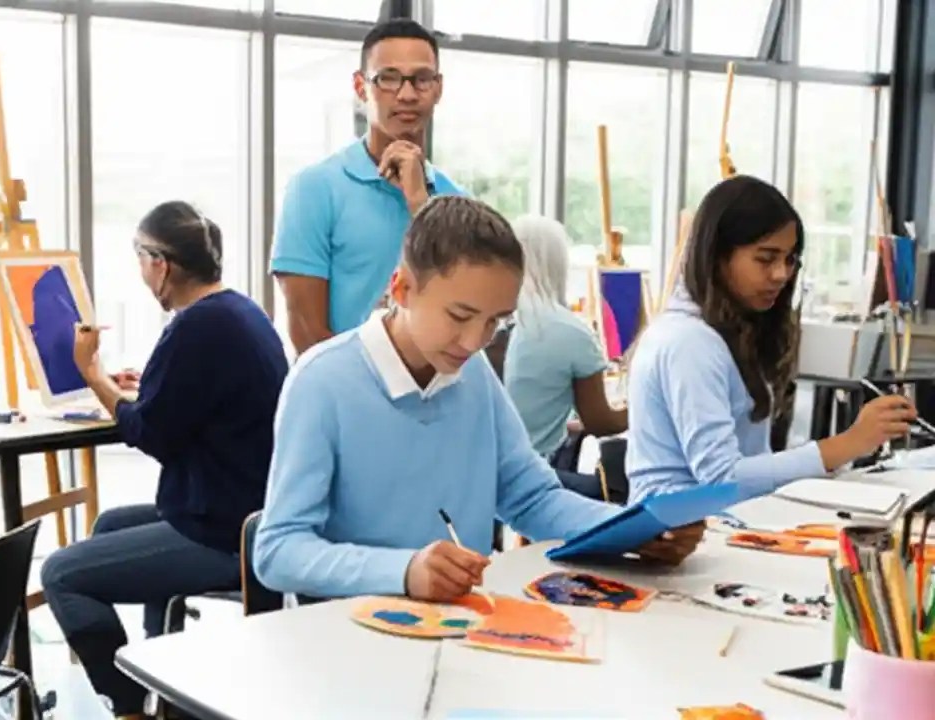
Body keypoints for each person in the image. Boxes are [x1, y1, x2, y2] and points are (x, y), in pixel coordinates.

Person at [254, 196, 702, 603]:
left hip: (461, 624)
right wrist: (404, 570)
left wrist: (633, 530)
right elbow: (278, 551)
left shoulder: (472, 372)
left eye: (496, 322)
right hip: (347, 639)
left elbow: (531, 500)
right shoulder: (322, 382)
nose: (474, 341)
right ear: (402, 288)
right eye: (461, 316)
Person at [41, 201, 288, 719]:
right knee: (108, 524)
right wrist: (136, 387)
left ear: (161, 264)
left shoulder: (196, 328)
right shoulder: (239, 312)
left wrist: (92, 374)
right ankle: (163, 673)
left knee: (63, 573)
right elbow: (183, 405)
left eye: (138, 257)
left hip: (223, 532)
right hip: (247, 511)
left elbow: (147, 432)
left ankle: (129, 706)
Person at [625, 175, 915, 504]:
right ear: (717, 256)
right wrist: (847, 443)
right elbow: (722, 478)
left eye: (790, 259)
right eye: (765, 259)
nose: (781, 274)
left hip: (718, 526)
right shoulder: (689, 341)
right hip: (678, 535)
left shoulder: (727, 331)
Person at [271, 18, 463, 355]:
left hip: (435, 396)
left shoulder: (456, 201)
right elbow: (307, 333)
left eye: (421, 79)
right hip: (344, 398)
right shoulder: (314, 188)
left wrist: (421, 204)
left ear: (438, 88)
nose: (406, 94)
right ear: (361, 88)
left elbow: (465, 308)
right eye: (388, 79)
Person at [503, 215, 627, 498]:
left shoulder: (497, 320)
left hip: (489, 471)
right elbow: (602, 423)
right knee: (621, 490)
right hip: (530, 477)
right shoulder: (568, 330)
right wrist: (642, 408)